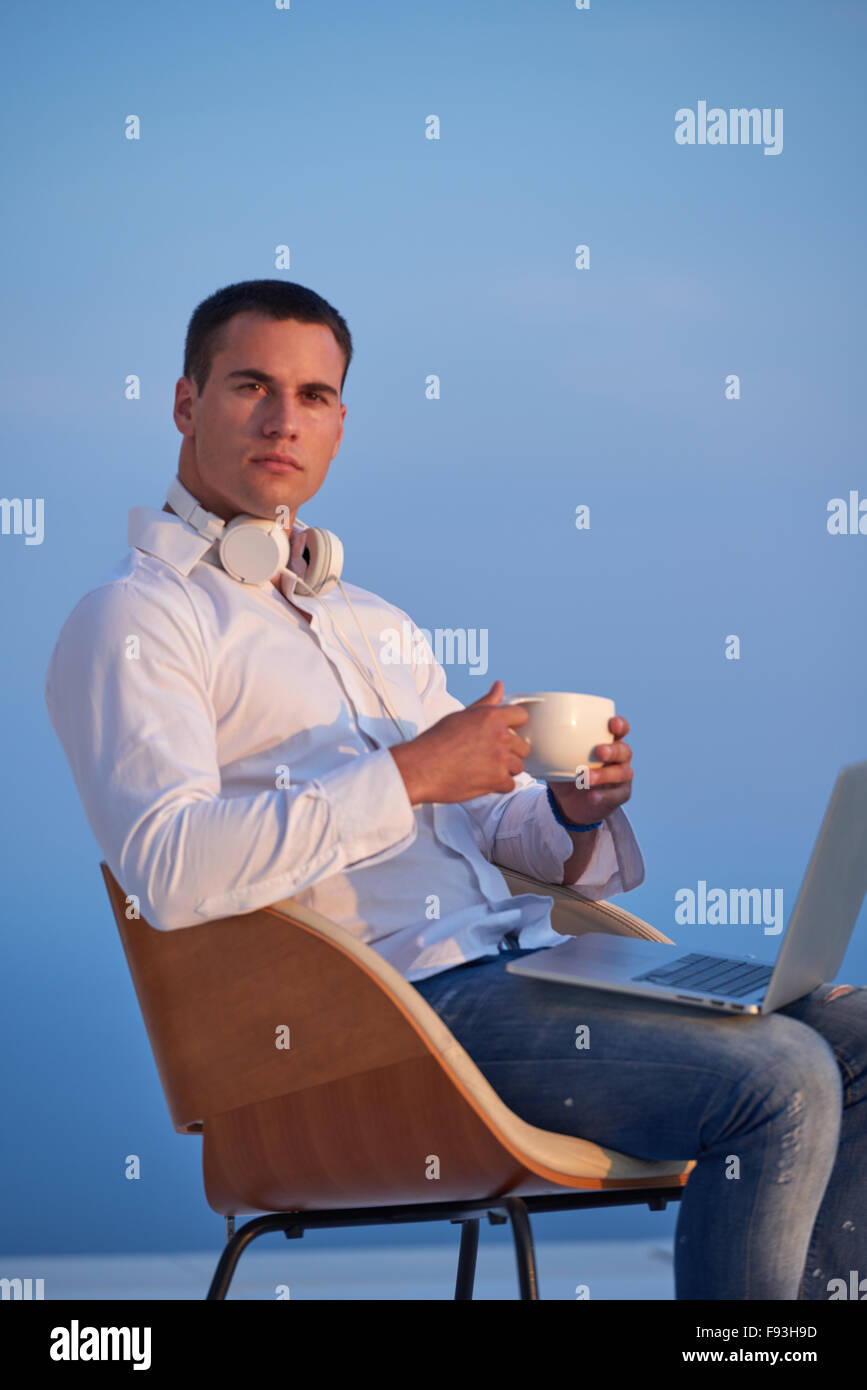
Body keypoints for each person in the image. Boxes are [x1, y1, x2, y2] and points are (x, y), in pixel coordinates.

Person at [44, 279, 865, 1301]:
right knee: (780, 1077)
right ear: (185, 403)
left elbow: (484, 825)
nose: (282, 418)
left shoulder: (373, 621)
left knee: (855, 1033)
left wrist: (570, 813)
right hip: (387, 1027)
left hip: (534, 972)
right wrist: (410, 771)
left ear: (341, 422)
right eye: (251, 385)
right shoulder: (137, 620)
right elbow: (168, 868)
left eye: (314, 395)